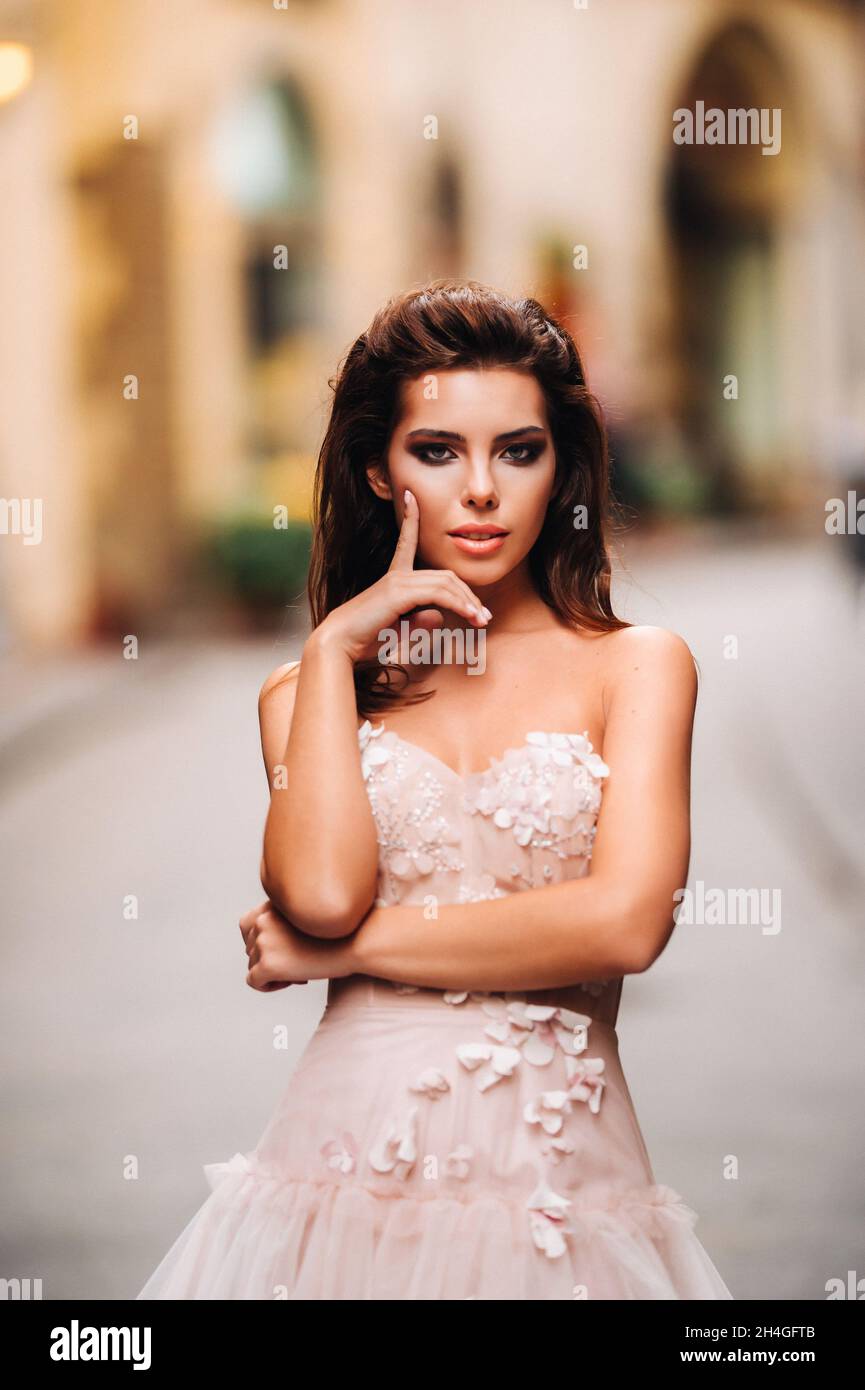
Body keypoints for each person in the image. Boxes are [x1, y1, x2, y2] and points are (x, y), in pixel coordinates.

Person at [136, 279, 733, 1299]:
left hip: (560, 1198)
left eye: (518, 449)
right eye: (437, 450)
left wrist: (358, 948)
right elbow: (319, 894)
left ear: (561, 467)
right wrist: (331, 651)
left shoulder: (637, 665)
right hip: (333, 1191)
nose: (483, 490)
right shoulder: (306, 693)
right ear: (378, 469)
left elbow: (626, 923)